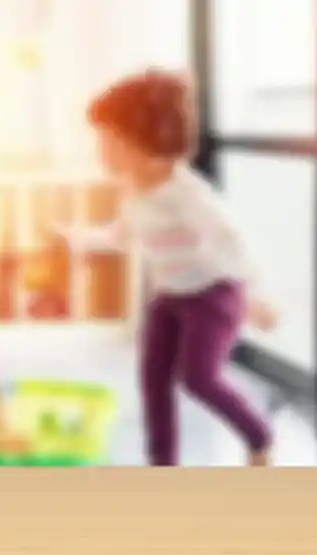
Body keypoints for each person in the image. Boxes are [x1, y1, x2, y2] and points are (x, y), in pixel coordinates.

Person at [88, 69, 277, 466]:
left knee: (198, 378)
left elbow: (232, 241)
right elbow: (121, 233)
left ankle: (259, 436)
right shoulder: (133, 189)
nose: (100, 151)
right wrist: (80, 239)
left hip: (214, 297)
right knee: (153, 377)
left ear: (142, 144)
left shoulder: (186, 195)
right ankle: (163, 462)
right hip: (171, 297)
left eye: (107, 141)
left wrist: (256, 296)